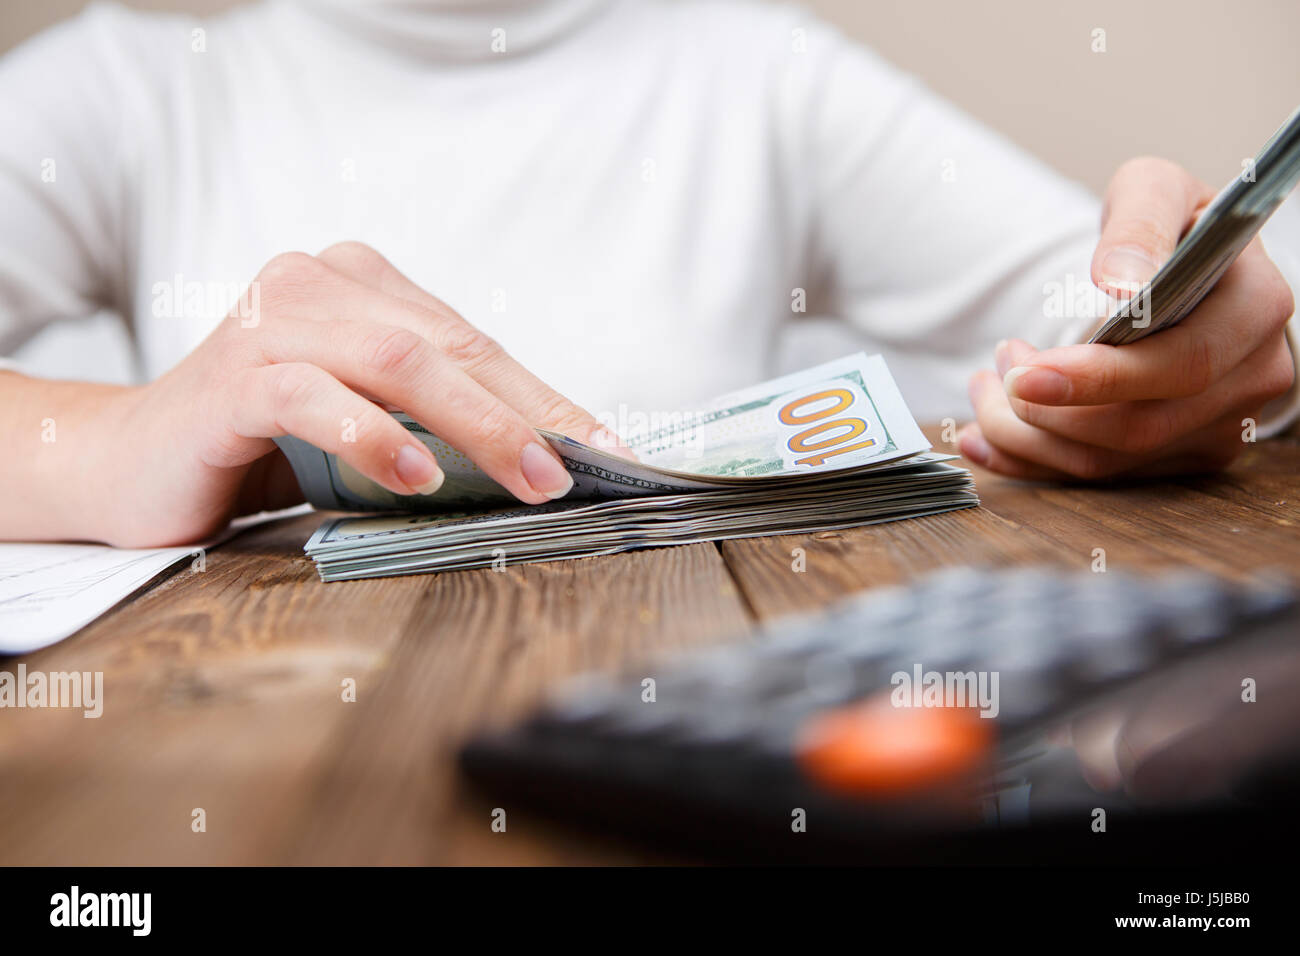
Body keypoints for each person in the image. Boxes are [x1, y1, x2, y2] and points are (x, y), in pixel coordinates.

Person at [0, 0, 1295, 548]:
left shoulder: (757, 75)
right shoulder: (135, 89)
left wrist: (1203, 344)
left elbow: (1105, 325)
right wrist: (92, 445)